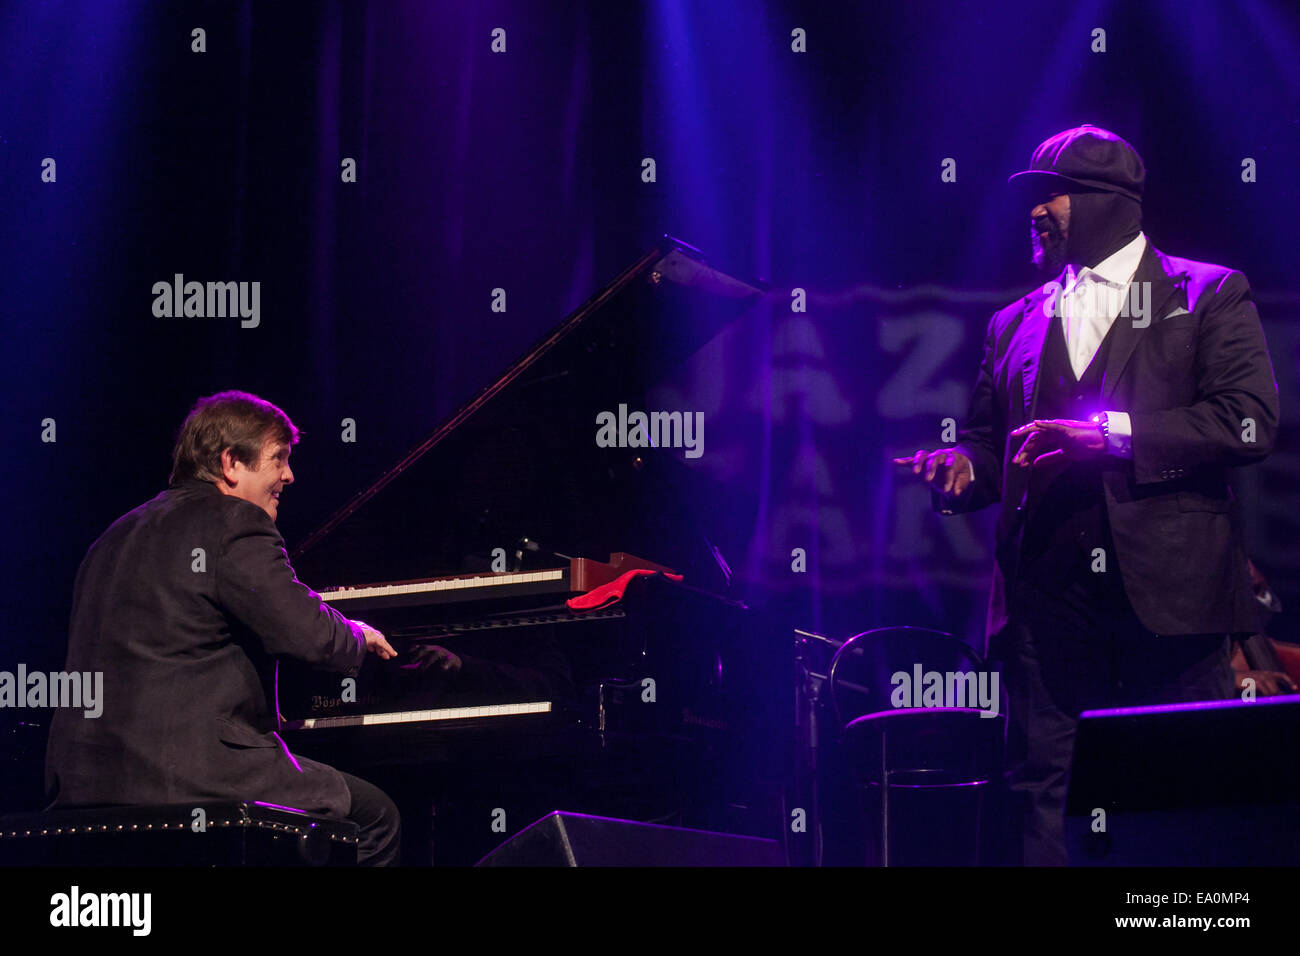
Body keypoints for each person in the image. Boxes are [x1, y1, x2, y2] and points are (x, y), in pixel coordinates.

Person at [894, 125, 1279, 865]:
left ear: (1107, 201)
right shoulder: (1014, 321)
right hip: (1048, 600)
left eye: (1054, 195)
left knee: (1181, 785)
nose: (1036, 211)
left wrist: (1113, 436)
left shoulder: (1205, 293)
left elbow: (1248, 420)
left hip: (1171, 595)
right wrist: (965, 468)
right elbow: (991, 444)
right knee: (1047, 788)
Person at [45, 390, 403, 865]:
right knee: (375, 818)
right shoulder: (235, 521)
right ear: (232, 463)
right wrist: (356, 634)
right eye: (279, 459)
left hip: (83, 780)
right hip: (193, 775)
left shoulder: (112, 537)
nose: (289, 475)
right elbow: (307, 634)